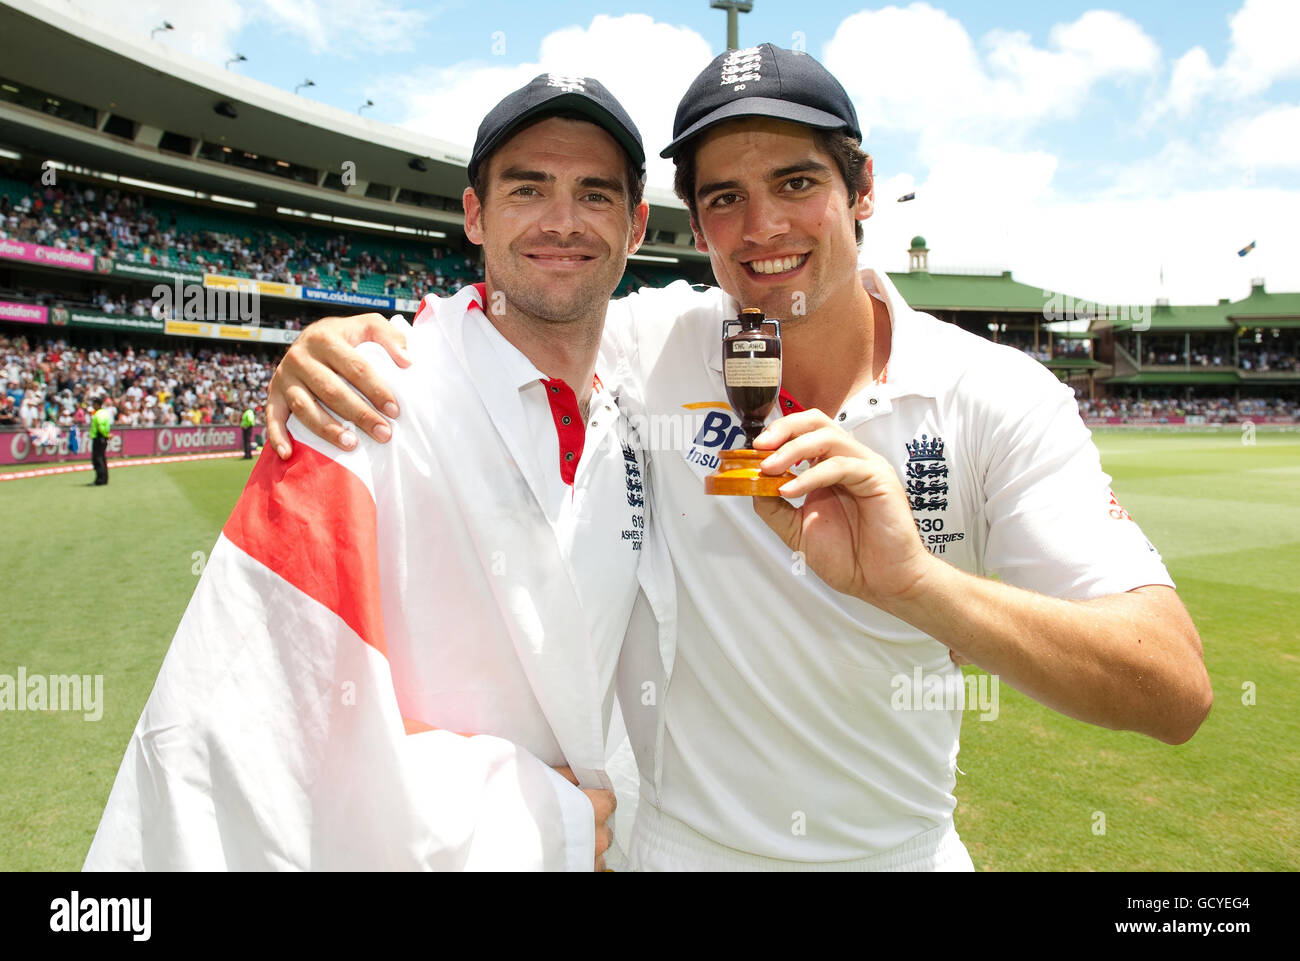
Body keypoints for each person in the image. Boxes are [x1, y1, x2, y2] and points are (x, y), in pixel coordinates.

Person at [264, 46, 1212, 871]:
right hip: (673, 851)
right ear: (691, 218)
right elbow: (512, 316)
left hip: (898, 854)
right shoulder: (653, 341)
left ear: (863, 187)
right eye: (725, 199)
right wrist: (339, 345)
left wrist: (915, 583)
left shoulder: (992, 393)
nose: (761, 228)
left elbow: (1173, 687)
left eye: (796, 183)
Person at [85, 74, 661, 871]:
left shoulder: (647, 400)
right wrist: (537, 819)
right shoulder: (361, 401)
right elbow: (241, 737)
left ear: (635, 227)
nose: (562, 221)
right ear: (474, 214)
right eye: (529, 188)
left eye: (595, 195)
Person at [89, 398, 112, 485]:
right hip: (102, 437)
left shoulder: (98, 414)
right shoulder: (105, 413)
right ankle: (104, 479)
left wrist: (105, 435)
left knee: (98, 459)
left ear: (98, 404)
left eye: (94, 404)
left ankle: (100, 480)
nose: (93, 406)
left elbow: (100, 426)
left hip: (99, 438)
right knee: (102, 458)